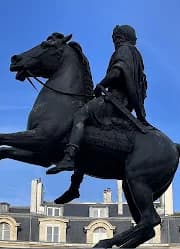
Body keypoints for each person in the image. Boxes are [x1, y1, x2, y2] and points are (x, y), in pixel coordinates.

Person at [46, 24, 149, 175]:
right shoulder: (136, 54)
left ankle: (69, 157)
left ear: (121, 37)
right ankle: (75, 186)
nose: (114, 41)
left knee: (80, 116)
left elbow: (117, 72)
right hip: (124, 102)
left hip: (116, 100)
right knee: (86, 133)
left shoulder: (124, 50)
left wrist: (101, 84)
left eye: (115, 38)